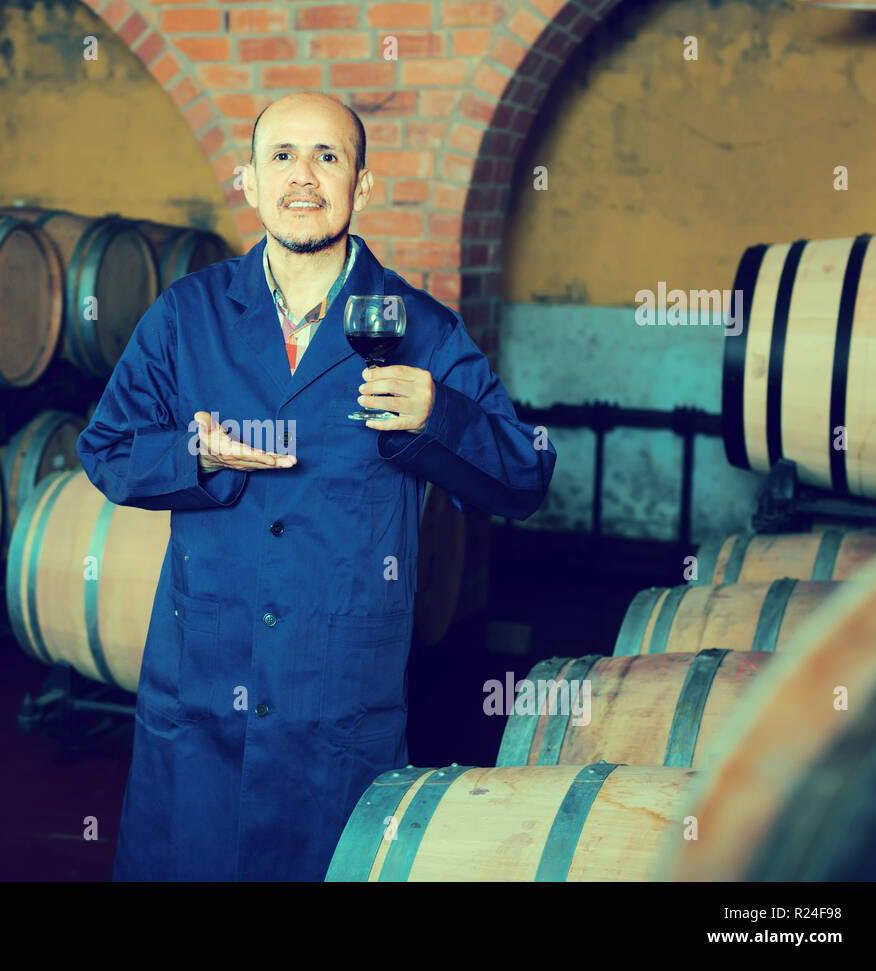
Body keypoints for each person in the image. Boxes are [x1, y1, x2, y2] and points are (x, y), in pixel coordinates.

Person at [76, 91, 556, 881]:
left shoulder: (421, 326)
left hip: (337, 696)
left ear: (362, 184)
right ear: (251, 181)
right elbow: (108, 449)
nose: (304, 176)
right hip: (202, 682)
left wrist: (443, 415)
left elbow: (526, 475)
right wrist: (194, 451)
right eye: (283, 156)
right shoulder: (186, 316)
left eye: (328, 157)